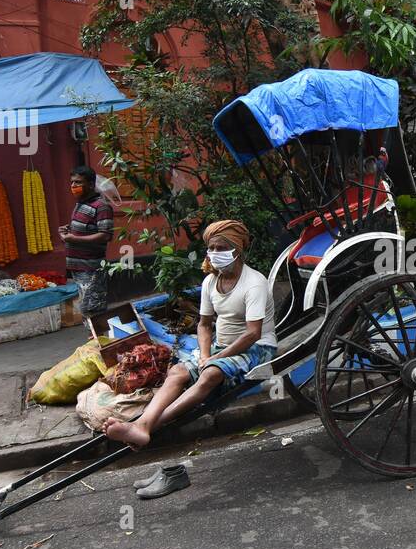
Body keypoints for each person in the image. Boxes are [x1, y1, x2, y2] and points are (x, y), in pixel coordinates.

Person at [106, 220, 278, 499]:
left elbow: (252, 333)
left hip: (257, 348)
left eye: (221, 247)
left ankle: (149, 425)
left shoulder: (254, 283)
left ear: (237, 249)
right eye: (210, 248)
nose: (214, 253)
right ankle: (142, 426)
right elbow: (203, 325)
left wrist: (215, 359)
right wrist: (206, 354)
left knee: (210, 374)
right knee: (177, 372)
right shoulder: (211, 281)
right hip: (222, 347)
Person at [59, 166, 114, 318]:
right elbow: (86, 229)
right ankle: (96, 340)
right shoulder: (80, 204)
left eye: (78, 182)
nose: (73, 186)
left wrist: (74, 238)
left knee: (93, 311)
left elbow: (105, 235)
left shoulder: (101, 206)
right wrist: (67, 231)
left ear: (90, 184)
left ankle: (102, 341)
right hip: (77, 268)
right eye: (72, 182)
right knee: (86, 311)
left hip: (91, 269)